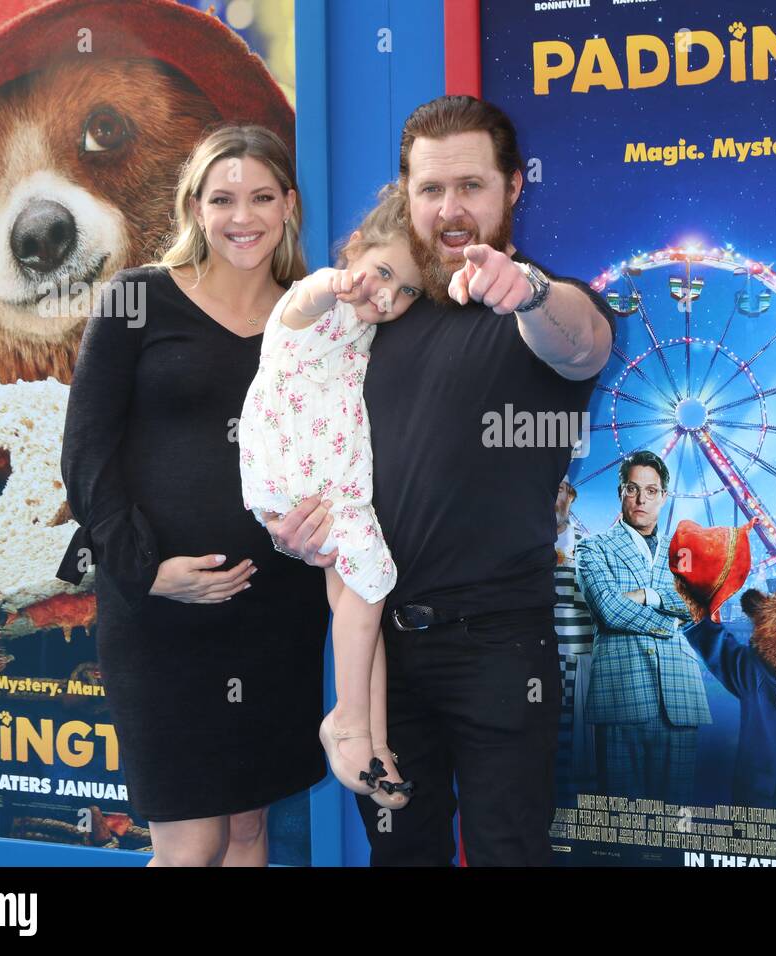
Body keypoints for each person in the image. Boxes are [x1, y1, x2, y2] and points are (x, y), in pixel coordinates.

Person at [267, 95, 615, 866]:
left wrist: (522, 289)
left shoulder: (545, 305)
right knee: (400, 857)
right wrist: (300, 529)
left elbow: (584, 344)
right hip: (383, 655)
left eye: (470, 186)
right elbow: (311, 439)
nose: (450, 209)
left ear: (513, 187)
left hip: (501, 650)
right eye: (430, 190)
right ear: (407, 195)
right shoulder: (372, 319)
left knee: (507, 853)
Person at [56, 124, 328, 866]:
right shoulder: (139, 300)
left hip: (278, 617)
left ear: (289, 206)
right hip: (162, 619)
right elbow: (85, 455)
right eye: (224, 198)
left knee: (246, 831)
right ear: (194, 208)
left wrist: (323, 524)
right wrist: (145, 571)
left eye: (262, 197)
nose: (244, 216)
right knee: (190, 842)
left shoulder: (312, 316)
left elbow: (339, 451)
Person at [238, 184, 422, 808]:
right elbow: (304, 299)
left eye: (407, 292)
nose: (388, 297)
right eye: (383, 274)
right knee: (372, 584)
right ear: (355, 251)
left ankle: (371, 739)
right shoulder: (317, 301)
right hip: (310, 483)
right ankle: (346, 721)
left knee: (354, 599)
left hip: (329, 483)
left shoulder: (367, 330)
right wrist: (335, 285)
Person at [577, 451, 711, 805]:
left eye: (651, 491)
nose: (641, 499)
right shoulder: (592, 548)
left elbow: (699, 605)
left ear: (663, 496)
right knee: (624, 821)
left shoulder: (684, 551)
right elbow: (608, 609)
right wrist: (669, 616)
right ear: (621, 492)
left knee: (677, 819)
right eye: (633, 489)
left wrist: (645, 594)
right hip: (621, 693)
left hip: (680, 698)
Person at [553, 476, 596, 800]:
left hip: (580, 665)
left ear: (571, 496)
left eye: (559, 489)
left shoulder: (590, 549)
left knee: (577, 764)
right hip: (532, 668)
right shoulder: (518, 546)